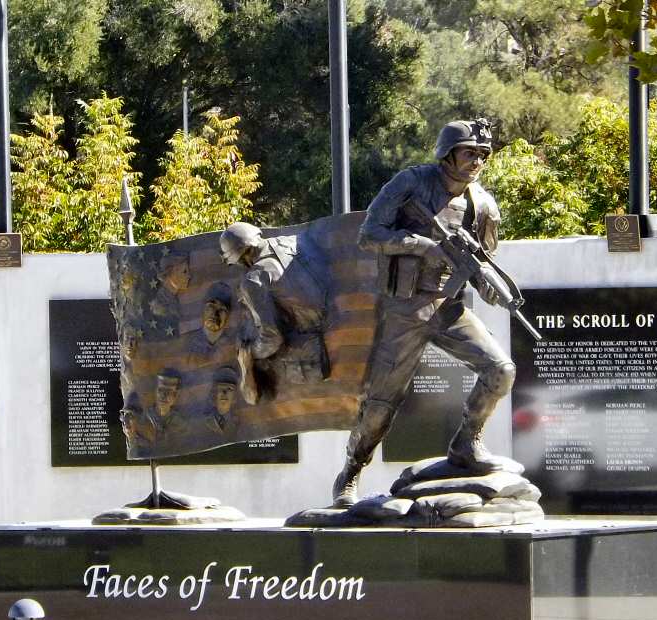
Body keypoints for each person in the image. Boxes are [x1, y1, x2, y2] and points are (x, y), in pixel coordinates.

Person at [331, 118, 516, 506]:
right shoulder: (411, 183)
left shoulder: (483, 205)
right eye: (470, 153)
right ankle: (351, 471)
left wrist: (485, 284)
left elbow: (484, 261)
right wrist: (420, 245)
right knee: (382, 404)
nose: (477, 161)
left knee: (501, 370)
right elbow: (370, 234)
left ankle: (467, 444)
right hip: (404, 308)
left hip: (447, 308)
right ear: (448, 154)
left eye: (484, 155)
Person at [219, 223, 329, 403]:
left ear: (242, 258)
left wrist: (248, 355)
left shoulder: (253, 280)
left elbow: (272, 337)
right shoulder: (288, 242)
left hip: (306, 350)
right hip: (328, 312)